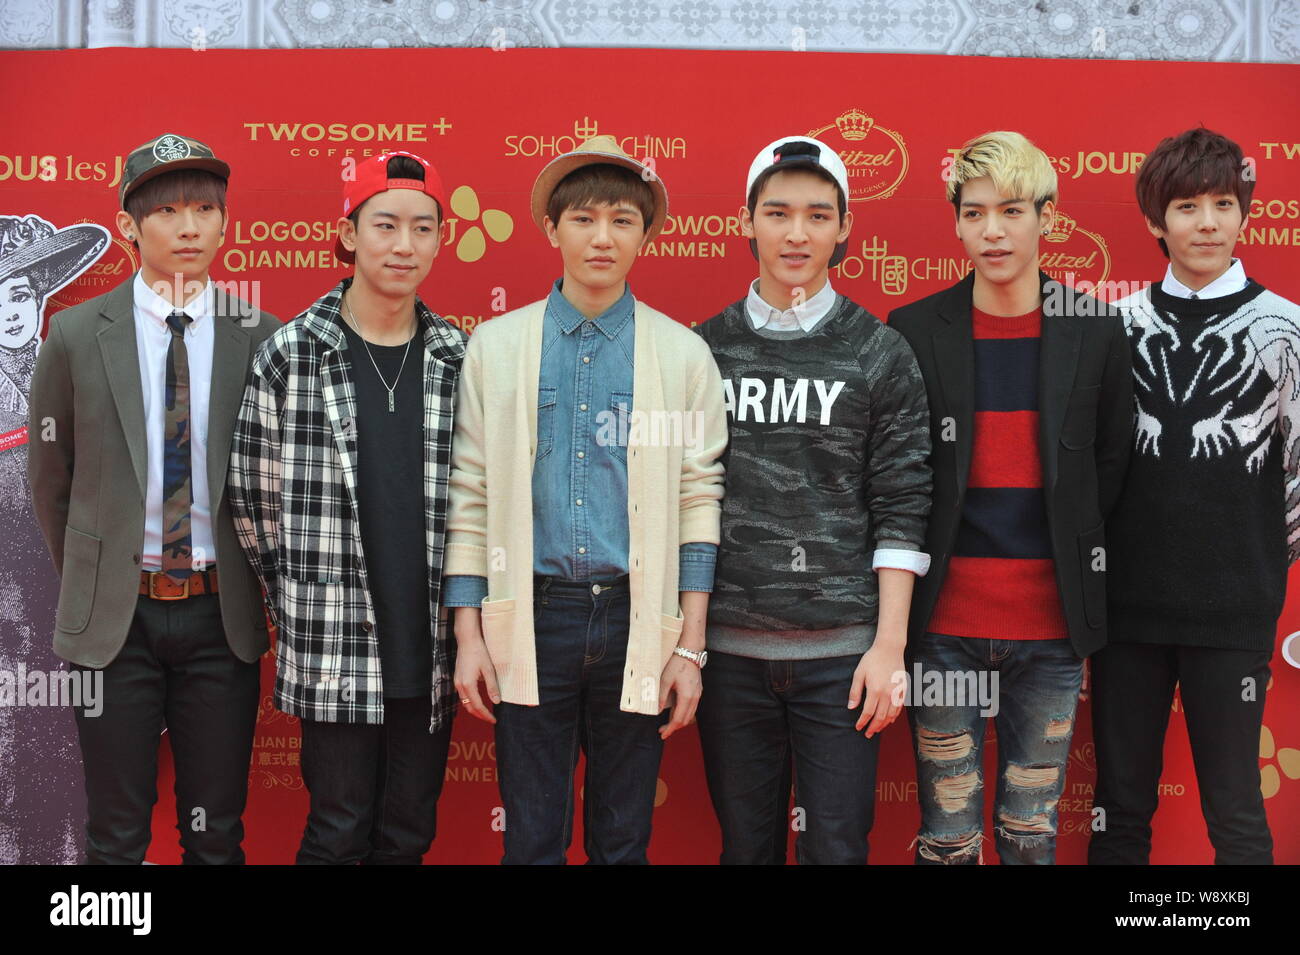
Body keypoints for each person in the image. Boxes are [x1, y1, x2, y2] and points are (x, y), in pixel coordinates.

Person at [444, 135, 729, 864]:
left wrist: (688, 644)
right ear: (552, 229)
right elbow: (471, 493)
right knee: (533, 841)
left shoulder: (681, 354)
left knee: (622, 840)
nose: (602, 238)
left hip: (640, 618)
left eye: (622, 221)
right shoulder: (498, 348)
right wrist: (470, 632)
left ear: (646, 233)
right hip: (533, 616)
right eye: (584, 219)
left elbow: (700, 499)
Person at [27, 133, 279, 864]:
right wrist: (101, 573)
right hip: (116, 621)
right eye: (167, 211)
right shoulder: (76, 335)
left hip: (219, 619)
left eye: (205, 208)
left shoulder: (258, 334)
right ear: (130, 226)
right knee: (114, 836)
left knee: (216, 834)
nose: (190, 226)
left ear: (227, 222)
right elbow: (52, 480)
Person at [889, 130, 1133, 864]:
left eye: (1013, 210)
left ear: (1048, 217)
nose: (993, 230)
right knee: (949, 831)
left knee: (1031, 832)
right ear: (957, 221)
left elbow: (1111, 465)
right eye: (975, 212)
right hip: (942, 626)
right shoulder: (914, 329)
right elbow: (902, 475)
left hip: (1052, 629)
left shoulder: (1095, 328)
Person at [694, 136, 932, 865]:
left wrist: (888, 645)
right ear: (746, 222)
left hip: (844, 658)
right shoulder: (702, 351)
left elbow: (903, 501)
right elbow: (684, 501)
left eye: (817, 215)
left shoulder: (879, 351)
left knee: (836, 847)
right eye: (777, 212)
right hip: (729, 657)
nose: (797, 233)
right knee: (746, 848)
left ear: (844, 226)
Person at [228, 150, 466, 864]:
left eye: (422, 228)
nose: (404, 245)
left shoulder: (458, 356)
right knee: (337, 829)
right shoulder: (291, 353)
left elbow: (478, 502)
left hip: (429, 646)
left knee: (408, 833)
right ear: (349, 233)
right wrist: (305, 597)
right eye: (386, 225)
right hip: (332, 641)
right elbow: (252, 502)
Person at [1090, 127, 1298, 865]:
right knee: (1118, 810)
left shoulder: (1286, 329)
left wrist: (1256, 568)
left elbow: (1296, 479)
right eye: (1186, 205)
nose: (1206, 221)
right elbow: (1093, 468)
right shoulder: (1113, 326)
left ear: (1245, 212)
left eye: (1221, 202)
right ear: (1155, 221)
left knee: (1237, 813)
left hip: (1234, 613)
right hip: (1125, 612)